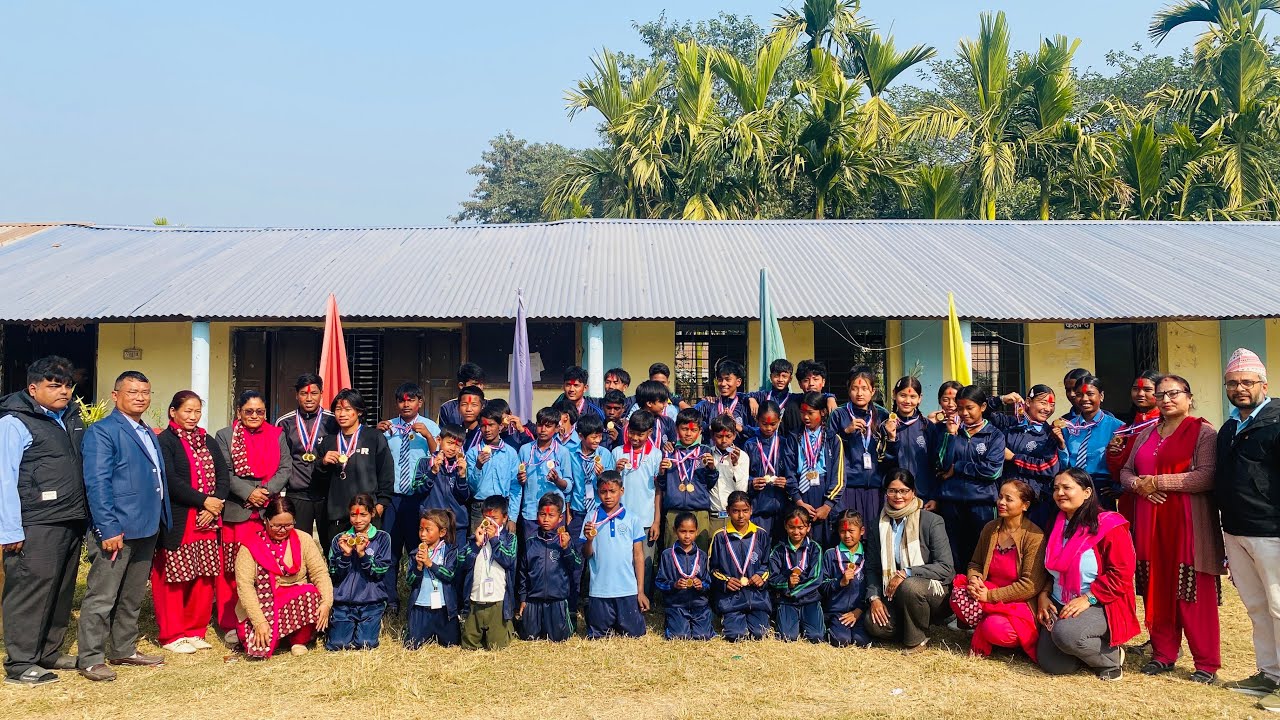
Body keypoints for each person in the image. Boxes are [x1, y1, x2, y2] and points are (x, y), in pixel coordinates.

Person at [1117, 374, 1221, 681]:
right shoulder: (1148, 432)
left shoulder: (1203, 432)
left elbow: (1205, 476)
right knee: (1156, 586)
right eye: (1160, 394)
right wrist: (1138, 485)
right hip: (1150, 522)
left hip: (1188, 523)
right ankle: (1163, 654)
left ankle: (1206, 663)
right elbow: (1126, 471)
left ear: (1189, 397)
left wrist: (1158, 482)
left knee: (1192, 591)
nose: (1166, 399)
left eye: (1173, 393)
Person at [78, 370, 172, 681]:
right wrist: (108, 527)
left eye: (145, 392)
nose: (140, 397)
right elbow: (97, 482)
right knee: (102, 595)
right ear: (116, 395)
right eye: (132, 392)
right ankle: (91, 657)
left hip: (146, 527)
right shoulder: (103, 432)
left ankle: (123, 648)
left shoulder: (146, 430)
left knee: (132, 595)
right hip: (117, 529)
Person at [0, 356, 89, 685]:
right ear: (33, 388)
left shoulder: (70, 417)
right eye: (54, 386)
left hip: (69, 517)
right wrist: (10, 529)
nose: (63, 392)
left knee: (61, 590)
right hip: (34, 522)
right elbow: (3, 478)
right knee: (29, 589)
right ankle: (21, 663)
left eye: (67, 385)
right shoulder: (14, 421)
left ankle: (49, 652)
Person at [1214, 349, 1280, 708]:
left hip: (1272, 530)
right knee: (1256, 606)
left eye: (1247, 382)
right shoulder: (1229, 428)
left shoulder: (1276, 420)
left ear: (1263, 385)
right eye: (1233, 383)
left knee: (1279, 605)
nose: (1239, 388)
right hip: (1236, 530)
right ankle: (1269, 673)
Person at [1035, 468, 1138, 680]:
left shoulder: (1109, 525)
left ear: (1087, 492)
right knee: (1053, 664)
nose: (1060, 493)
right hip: (1059, 599)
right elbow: (1051, 570)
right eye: (1056, 488)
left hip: (1100, 602)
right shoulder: (1056, 523)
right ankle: (1081, 648)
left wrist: (1089, 598)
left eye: (1067, 488)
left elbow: (1122, 574)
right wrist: (1044, 594)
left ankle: (1110, 659)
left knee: (1066, 635)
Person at [152, 391, 229, 655]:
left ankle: (195, 630)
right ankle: (172, 634)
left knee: (204, 576)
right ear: (173, 412)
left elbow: (223, 476)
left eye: (197, 411)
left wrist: (215, 503)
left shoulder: (207, 439)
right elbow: (171, 480)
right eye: (187, 411)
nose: (193, 416)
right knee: (174, 577)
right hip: (180, 519)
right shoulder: (165, 441)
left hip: (208, 520)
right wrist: (203, 501)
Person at [215, 390, 290, 641]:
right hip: (238, 511)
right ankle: (230, 622)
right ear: (239, 412)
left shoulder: (277, 434)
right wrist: (249, 493)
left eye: (259, 411)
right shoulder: (225, 436)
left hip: (268, 509)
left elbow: (285, 468)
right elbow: (224, 472)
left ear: (266, 413)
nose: (254, 415)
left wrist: (265, 492)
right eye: (249, 411)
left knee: (266, 568)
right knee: (233, 568)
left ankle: (263, 617)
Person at [952, 479, 1045, 661]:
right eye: (1000, 497)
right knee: (958, 595)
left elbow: (1030, 586)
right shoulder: (991, 528)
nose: (1001, 502)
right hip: (987, 591)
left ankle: (993, 629)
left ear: (1025, 505)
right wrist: (974, 580)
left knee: (994, 628)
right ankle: (989, 620)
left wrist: (990, 596)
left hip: (1017, 601)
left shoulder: (1035, 536)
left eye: (1008, 499)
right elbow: (975, 564)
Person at [864, 469, 954, 654]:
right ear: (885, 493)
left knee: (910, 586)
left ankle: (917, 639)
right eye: (892, 490)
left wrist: (907, 572)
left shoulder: (931, 521)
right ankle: (908, 625)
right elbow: (872, 567)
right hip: (894, 593)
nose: (898, 496)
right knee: (873, 624)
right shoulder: (878, 525)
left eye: (904, 491)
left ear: (913, 492)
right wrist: (874, 598)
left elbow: (946, 568)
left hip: (932, 591)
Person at [234, 496, 333, 659]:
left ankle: (298, 640)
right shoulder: (250, 545)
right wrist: (259, 622)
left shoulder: (303, 539)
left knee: (310, 592)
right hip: (263, 602)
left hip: (294, 599)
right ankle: (276, 637)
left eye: (288, 525)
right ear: (266, 521)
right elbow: (244, 586)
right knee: (261, 643)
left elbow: (320, 573)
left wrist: (326, 603)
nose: (282, 530)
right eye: (277, 526)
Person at [378, 382, 440, 614]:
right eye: (402, 400)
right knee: (391, 551)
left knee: (418, 549)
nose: (406, 404)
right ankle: (391, 600)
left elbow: (440, 457)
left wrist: (428, 437)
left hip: (419, 499)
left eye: (411, 400)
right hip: (393, 497)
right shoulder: (388, 427)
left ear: (420, 403)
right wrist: (377, 432)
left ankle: (418, 596)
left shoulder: (431, 427)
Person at [936, 385, 1006, 573]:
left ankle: (981, 593)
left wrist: (958, 467)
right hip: (952, 502)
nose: (964, 413)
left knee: (981, 551)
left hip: (981, 503)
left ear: (983, 407)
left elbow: (992, 471)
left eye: (969, 408)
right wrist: (950, 436)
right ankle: (955, 594)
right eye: (960, 408)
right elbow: (942, 465)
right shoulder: (952, 432)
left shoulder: (994, 435)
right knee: (953, 552)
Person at [312, 389, 394, 548]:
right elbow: (318, 480)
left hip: (366, 515)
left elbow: (386, 472)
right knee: (337, 565)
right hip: (337, 514)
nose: (342, 414)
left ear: (359, 412)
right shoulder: (328, 441)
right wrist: (323, 463)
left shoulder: (374, 437)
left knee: (367, 562)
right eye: (338, 409)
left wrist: (381, 504)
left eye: (348, 409)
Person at [582, 471, 649, 638]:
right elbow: (587, 554)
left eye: (612, 491)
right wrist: (589, 540)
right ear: (598, 493)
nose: (608, 496)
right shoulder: (591, 518)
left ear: (622, 491)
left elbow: (639, 556)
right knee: (598, 635)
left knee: (635, 633)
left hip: (627, 589)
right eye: (603, 492)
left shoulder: (632, 519)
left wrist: (640, 591)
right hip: (600, 590)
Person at [274, 373, 338, 541]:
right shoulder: (284, 423)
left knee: (332, 545)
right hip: (298, 495)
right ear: (297, 395)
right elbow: (279, 460)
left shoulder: (333, 421)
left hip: (328, 495)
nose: (309, 398)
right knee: (299, 545)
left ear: (321, 394)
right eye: (304, 393)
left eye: (314, 393)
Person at [325, 493, 391, 650]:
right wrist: (346, 555)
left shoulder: (382, 538)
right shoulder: (340, 539)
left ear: (372, 514)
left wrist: (362, 555)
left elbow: (380, 571)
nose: (358, 519)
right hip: (344, 603)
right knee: (338, 645)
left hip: (371, 601)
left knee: (365, 644)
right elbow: (334, 572)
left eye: (363, 514)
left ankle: (375, 621)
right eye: (353, 515)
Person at [991, 385, 1062, 530]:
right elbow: (979, 409)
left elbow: (1049, 468)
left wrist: (1014, 458)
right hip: (1004, 500)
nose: (1048, 409)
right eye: (1043, 403)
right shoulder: (1009, 424)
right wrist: (1001, 399)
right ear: (1028, 402)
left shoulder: (1049, 434)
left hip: (1034, 503)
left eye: (1052, 405)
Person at [830, 367, 890, 533]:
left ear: (873, 391)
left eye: (864, 389)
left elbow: (888, 451)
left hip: (875, 487)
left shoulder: (883, 415)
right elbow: (827, 448)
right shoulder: (838, 414)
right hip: (848, 485)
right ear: (848, 389)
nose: (859, 393)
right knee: (848, 532)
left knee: (873, 534)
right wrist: (846, 433)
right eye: (855, 388)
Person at [457, 495, 519, 650]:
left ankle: (507, 627)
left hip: (498, 600)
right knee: (469, 645)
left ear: (505, 518)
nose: (489, 523)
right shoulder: (474, 539)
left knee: (497, 646)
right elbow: (462, 563)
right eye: (486, 517)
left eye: (494, 518)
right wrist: (477, 544)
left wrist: (494, 540)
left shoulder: (510, 539)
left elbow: (508, 560)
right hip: (475, 599)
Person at [517, 493, 583, 642]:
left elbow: (576, 565)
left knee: (559, 639)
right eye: (542, 514)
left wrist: (566, 549)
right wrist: (523, 598)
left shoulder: (564, 541)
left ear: (560, 518)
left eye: (551, 515)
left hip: (557, 600)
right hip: (533, 600)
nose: (546, 519)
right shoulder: (531, 542)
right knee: (529, 637)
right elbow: (523, 573)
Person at [709, 491, 771, 641]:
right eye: (736, 511)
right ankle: (728, 618)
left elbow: (767, 564)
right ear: (728, 510)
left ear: (751, 510)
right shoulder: (720, 536)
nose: (741, 515)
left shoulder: (760, 534)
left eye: (745, 511)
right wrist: (726, 581)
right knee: (736, 635)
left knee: (760, 633)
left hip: (756, 598)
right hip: (731, 599)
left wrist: (761, 576)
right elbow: (712, 569)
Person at [1058, 375, 1125, 510]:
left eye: (1090, 394)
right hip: (1072, 487)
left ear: (1101, 396)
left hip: (1101, 489)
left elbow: (1124, 461)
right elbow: (1064, 463)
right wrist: (1061, 445)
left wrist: (1120, 487)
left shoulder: (1118, 428)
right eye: (1079, 395)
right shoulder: (1067, 428)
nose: (1084, 399)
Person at [788, 392, 845, 548]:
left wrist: (827, 505)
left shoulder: (833, 438)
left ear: (823, 412)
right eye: (802, 412)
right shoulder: (793, 437)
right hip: (802, 494)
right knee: (804, 546)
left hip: (825, 495)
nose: (806, 417)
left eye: (810, 413)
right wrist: (798, 501)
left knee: (828, 545)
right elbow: (789, 472)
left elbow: (839, 476)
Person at [1106, 372, 1161, 533]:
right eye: (1136, 389)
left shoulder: (1167, 425)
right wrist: (1114, 455)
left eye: (1147, 389)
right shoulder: (1125, 429)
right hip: (1130, 499)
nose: (1140, 394)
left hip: (1159, 496)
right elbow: (1117, 473)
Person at [614, 410, 662, 589]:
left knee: (645, 562)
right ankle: (623, 595)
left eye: (640, 434)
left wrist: (656, 521)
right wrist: (616, 471)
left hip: (646, 519)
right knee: (622, 560)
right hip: (621, 517)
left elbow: (658, 490)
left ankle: (644, 598)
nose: (635, 437)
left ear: (649, 432)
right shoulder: (618, 452)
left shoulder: (656, 455)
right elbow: (611, 487)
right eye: (631, 432)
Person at [657, 408, 717, 551]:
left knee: (700, 552)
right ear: (677, 429)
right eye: (684, 429)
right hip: (674, 511)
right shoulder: (669, 451)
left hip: (699, 511)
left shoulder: (705, 452)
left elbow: (710, 484)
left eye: (693, 429)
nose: (688, 433)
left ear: (700, 431)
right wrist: (661, 472)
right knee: (672, 552)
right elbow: (662, 485)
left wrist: (711, 469)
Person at [405, 508, 459, 649]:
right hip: (420, 607)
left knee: (452, 645)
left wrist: (430, 564)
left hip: (444, 607)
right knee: (412, 646)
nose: (422, 534)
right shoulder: (415, 553)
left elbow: (450, 575)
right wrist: (418, 567)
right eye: (420, 529)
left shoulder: (450, 551)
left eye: (428, 530)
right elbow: (410, 581)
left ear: (442, 532)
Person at [654, 512, 713, 640]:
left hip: (699, 605)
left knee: (703, 636)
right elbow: (659, 581)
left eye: (691, 532)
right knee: (680, 636)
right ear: (675, 531)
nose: (687, 536)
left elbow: (708, 582)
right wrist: (674, 585)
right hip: (677, 605)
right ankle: (671, 622)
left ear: (696, 531)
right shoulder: (667, 555)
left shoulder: (701, 555)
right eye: (683, 531)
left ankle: (702, 621)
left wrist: (701, 585)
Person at [768, 508, 825, 643]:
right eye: (792, 527)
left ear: (808, 527)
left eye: (801, 527)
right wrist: (787, 583)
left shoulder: (815, 548)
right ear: (785, 526)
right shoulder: (778, 550)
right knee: (787, 637)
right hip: (786, 600)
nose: (796, 531)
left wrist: (794, 591)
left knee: (816, 637)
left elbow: (816, 578)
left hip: (810, 599)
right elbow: (772, 578)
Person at [516, 407, 574, 539]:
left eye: (548, 426)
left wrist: (557, 480)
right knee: (532, 553)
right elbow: (516, 483)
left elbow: (569, 485)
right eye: (540, 425)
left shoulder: (562, 452)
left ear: (556, 428)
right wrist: (521, 479)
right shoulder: (525, 450)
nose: (543, 430)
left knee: (556, 552)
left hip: (555, 514)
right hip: (531, 512)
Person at [464, 404, 521, 535]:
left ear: (500, 426)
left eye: (491, 425)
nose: (487, 429)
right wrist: (478, 466)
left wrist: (512, 517)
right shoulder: (473, 453)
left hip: (503, 507)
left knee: (503, 551)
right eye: (483, 426)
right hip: (480, 508)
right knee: (478, 549)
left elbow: (515, 487)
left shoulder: (510, 453)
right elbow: (472, 487)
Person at [413, 423, 472, 548]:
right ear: (439, 440)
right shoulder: (425, 463)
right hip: (432, 525)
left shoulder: (462, 465)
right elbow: (417, 489)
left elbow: (464, 498)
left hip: (457, 526)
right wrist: (433, 472)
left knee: (456, 564)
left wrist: (461, 476)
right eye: (449, 443)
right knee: (431, 562)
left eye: (457, 445)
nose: (453, 448)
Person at [822, 510, 871, 648]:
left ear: (862, 531)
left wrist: (859, 610)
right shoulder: (830, 555)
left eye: (851, 531)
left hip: (860, 611)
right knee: (840, 640)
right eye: (843, 531)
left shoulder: (868, 555)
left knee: (862, 642)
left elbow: (873, 586)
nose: (847, 535)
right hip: (836, 612)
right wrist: (839, 582)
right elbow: (822, 586)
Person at [744, 400, 793, 539]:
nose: (769, 428)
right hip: (758, 509)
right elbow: (741, 475)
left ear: (780, 420)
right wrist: (751, 482)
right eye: (764, 424)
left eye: (773, 424)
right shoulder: (750, 445)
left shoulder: (785, 444)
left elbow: (794, 473)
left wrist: (787, 482)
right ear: (757, 420)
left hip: (781, 508)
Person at [881, 376, 933, 505]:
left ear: (920, 398)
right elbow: (883, 465)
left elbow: (935, 465)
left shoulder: (928, 426)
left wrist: (934, 496)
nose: (907, 401)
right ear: (894, 394)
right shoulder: (884, 426)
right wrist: (891, 439)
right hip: (895, 497)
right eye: (902, 395)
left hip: (923, 496)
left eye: (913, 397)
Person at [707, 413, 749, 535]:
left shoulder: (742, 457)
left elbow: (742, 490)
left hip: (735, 517)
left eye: (728, 436)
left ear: (735, 435)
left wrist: (735, 465)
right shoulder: (708, 455)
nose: (724, 440)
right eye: (719, 436)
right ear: (713, 436)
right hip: (713, 516)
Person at [695, 360, 754, 444]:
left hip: (738, 454)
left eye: (727, 379)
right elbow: (689, 419)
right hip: (712, 455)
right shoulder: (708, 404)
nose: (723, 383)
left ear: (738, 382)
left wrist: (739, 427)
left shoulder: (747, 405)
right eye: (720, 379)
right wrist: (711, 427)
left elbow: (758, 432)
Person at [438, 362, 486, 427]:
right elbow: (444, 434)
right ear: (461, 385)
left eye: (481, 384)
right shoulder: (447, 408)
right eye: (475, 384)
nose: (480, 388)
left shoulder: (490, 406)